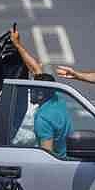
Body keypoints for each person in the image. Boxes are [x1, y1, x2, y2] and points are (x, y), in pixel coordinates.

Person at [10, 26, 73, 159]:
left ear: (40, 95)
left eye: (32, 89)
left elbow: (46, 156)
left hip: (58, 167)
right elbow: (37, 69)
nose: (29, 91)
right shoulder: (56, 97)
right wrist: (17, 44)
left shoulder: (43, 119)